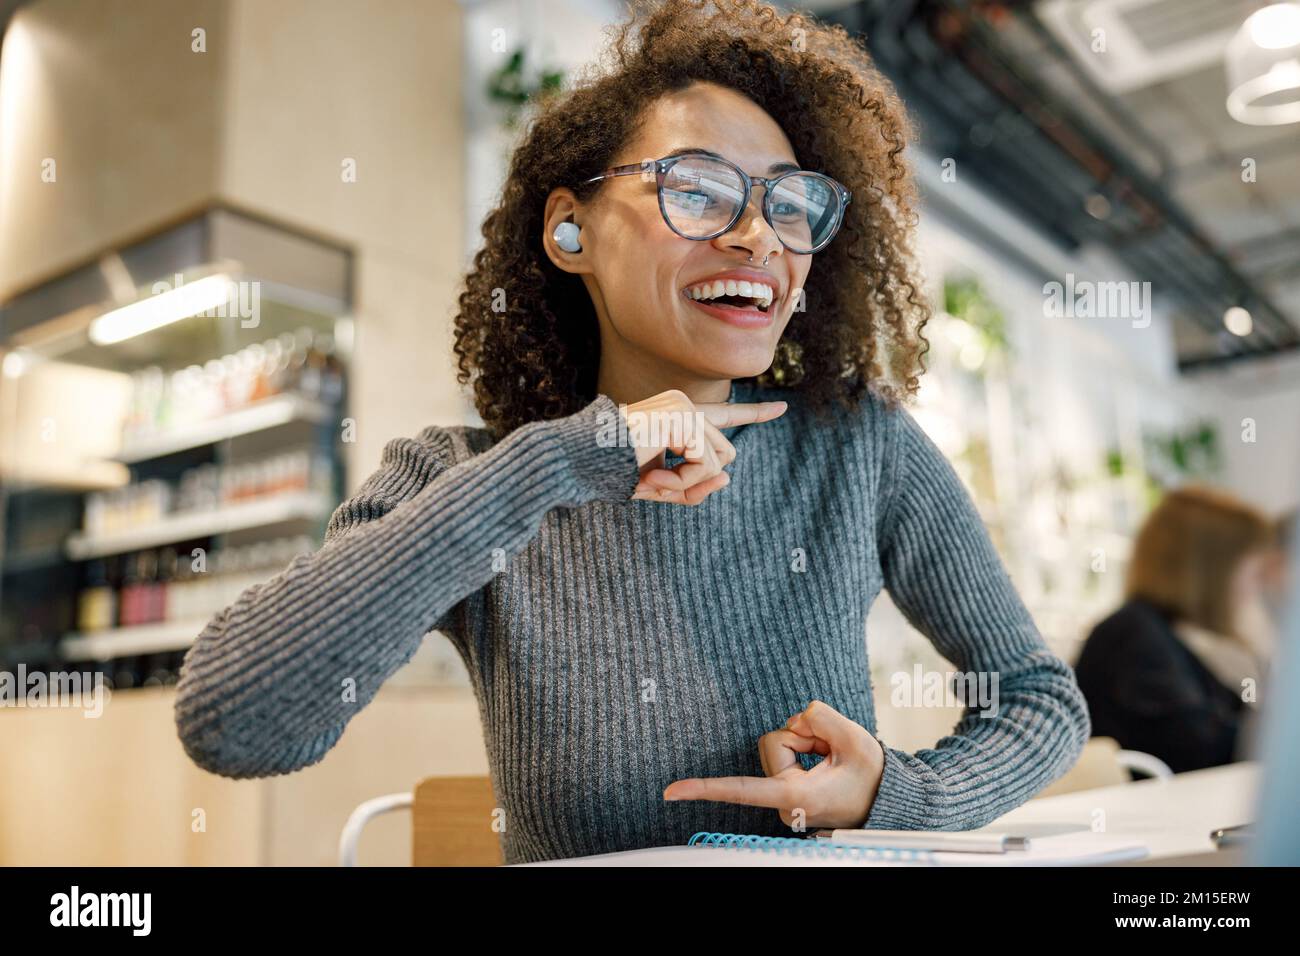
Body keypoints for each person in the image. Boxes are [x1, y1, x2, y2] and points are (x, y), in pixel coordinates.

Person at [174, 0, 1088, 864]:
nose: (756, 238)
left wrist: (897, 791)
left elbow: (1041, 701)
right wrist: (567, 456)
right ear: (571, 230)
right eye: (697, 190)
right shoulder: (469, 474)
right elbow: (231, 720)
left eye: (789, 205)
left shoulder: (856, 447)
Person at [1075, 485, 1278, 774]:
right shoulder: (1133, 635)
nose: (1255, 587)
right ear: (1213, 571)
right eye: (1253, 571)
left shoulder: (1168, 632)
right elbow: (1201, 748)